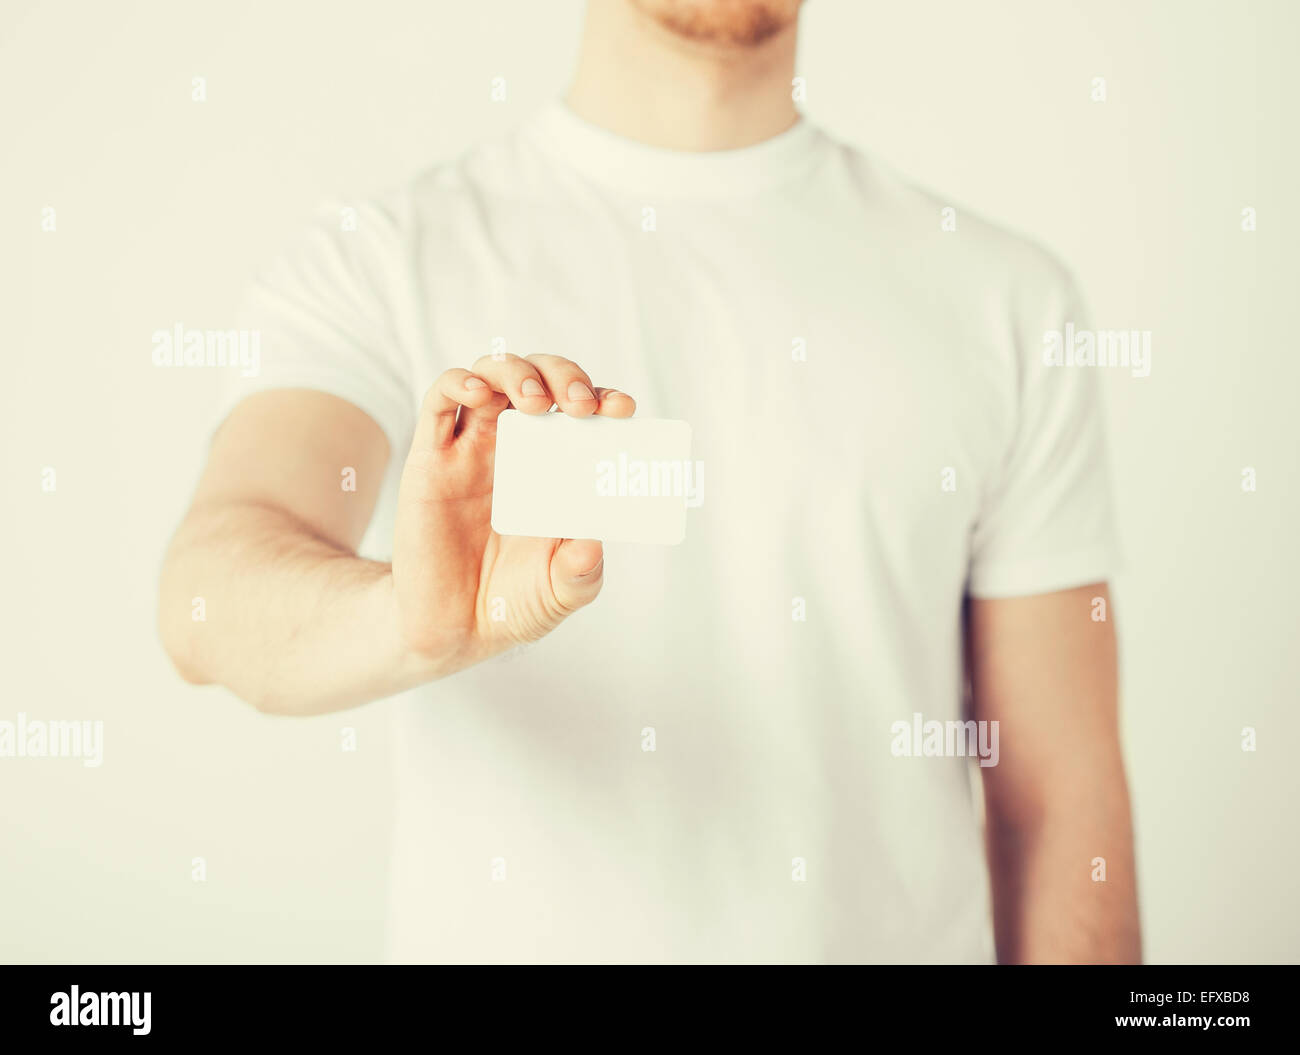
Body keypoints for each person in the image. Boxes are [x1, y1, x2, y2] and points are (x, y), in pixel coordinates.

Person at [158, 0, 1141, 963]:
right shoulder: (377, 260)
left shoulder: (1003, 299)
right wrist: (408, 616)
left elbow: (1060, 800)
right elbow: (209, 591)